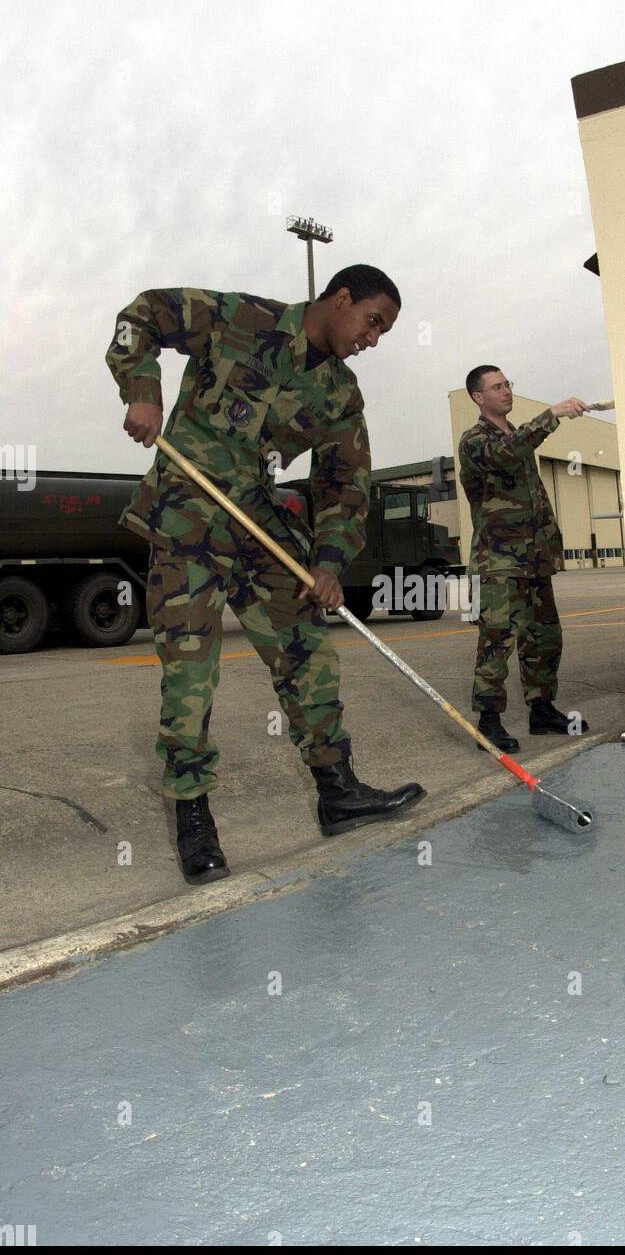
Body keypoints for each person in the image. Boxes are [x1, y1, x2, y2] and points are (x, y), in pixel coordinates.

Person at [106, 266, 424, 880]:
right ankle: (193, 817)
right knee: (191, 673)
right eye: (373, 321)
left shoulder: (340, 393)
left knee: (306, 645)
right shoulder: (241, 320)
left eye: (383, 331)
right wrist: (141, 388)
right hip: (189, 517)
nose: (374, 338)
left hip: (255, 519)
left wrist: (329, 562)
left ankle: (338, 790)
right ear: (340, 299)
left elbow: (345, 483)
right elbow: (142, 314)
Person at [458, 365, 593, 753]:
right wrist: (551, 415)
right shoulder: (477, 441)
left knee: (544, 637)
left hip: (532, 561)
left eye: (507, 384)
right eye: (496, 387)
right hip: (498, 564)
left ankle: (542, 709)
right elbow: (507, 452)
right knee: (496, 642)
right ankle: (488, 722)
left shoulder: (513, 436)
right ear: (478, 397)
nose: (506, 391)